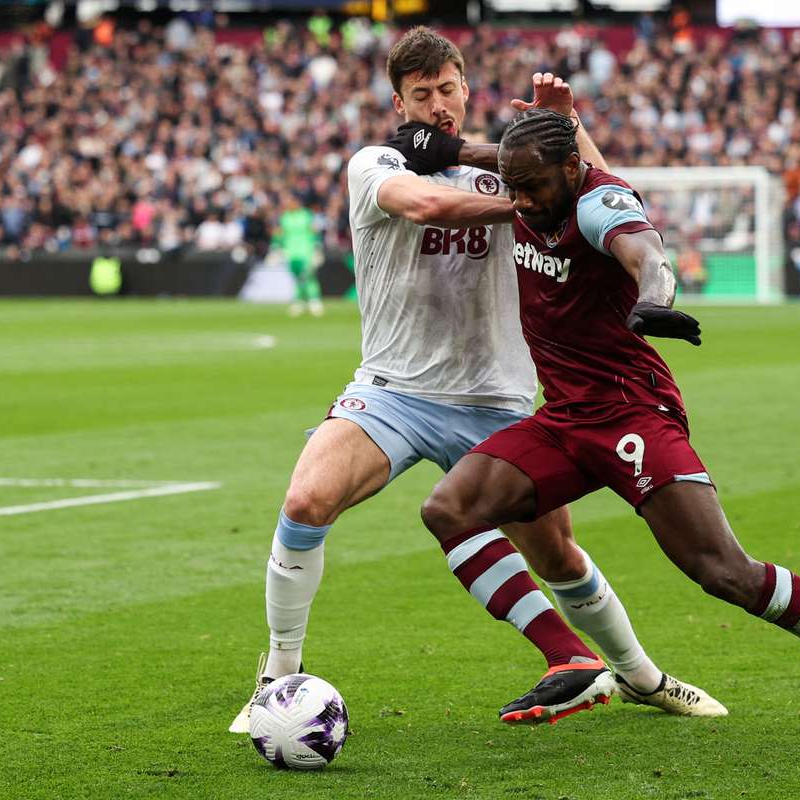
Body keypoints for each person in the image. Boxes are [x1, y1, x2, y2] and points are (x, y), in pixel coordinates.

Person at [231, 27, 724, 733]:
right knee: (307, 498)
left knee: (556, 553)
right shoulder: (374, 164)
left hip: (499, 399)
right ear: (399, 102)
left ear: (467, 89)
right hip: (395, 389)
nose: (437, 104)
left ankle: (639, 676)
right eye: (421, 94)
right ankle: (277, 675)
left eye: (447, 89)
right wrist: (530, 196)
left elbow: (602, 197)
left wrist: (566, 133)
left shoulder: (513, 167)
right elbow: (426, 204)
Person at [418, 107, 800, 744]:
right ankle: (574, 658)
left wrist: (652, 301)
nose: (521, 201)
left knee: (724, 572)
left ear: (573, 168)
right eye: (512, 184)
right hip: (563, 419)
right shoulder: (530, 181)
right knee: (450, 509)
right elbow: (505, 159)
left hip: (631, 414)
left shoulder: (595, 204)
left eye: (532, 186)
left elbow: (646, 253)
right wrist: (447, 148)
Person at [275, 193, 324, 317]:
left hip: (306, 251)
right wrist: (276, 249)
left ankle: (314, 300)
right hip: (291, 252)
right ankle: (300, 301)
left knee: (307, 276)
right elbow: (280, 234)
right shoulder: (285, 217)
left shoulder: (306, 215)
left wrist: (317, 248)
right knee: (297, 278)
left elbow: (314, 230)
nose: (288, 204)